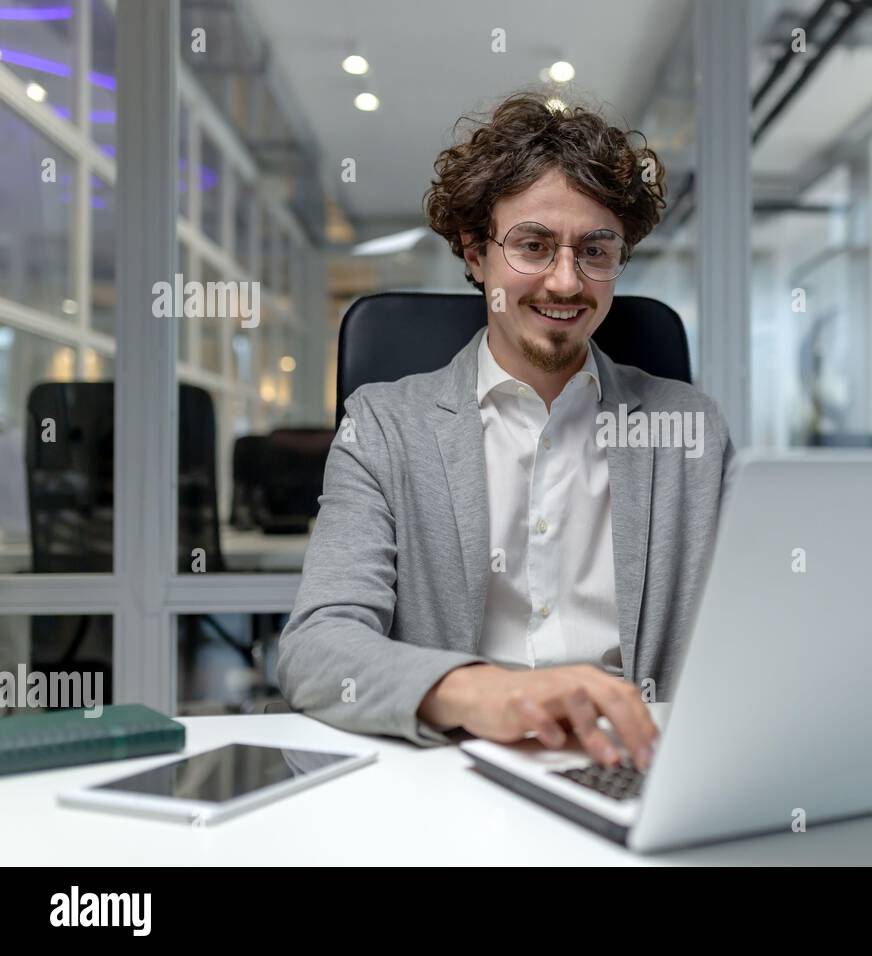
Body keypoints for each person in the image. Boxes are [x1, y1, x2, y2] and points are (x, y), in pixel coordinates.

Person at [278, 91, 734, 771]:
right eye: (533, 245)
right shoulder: (383, 427)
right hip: (449, 770)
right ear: (475, 251)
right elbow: (318, 647)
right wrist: (477, 692)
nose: (565, 281)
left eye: (595, 251)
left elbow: (754, 636)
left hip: (637, 769)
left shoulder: (688, 431)